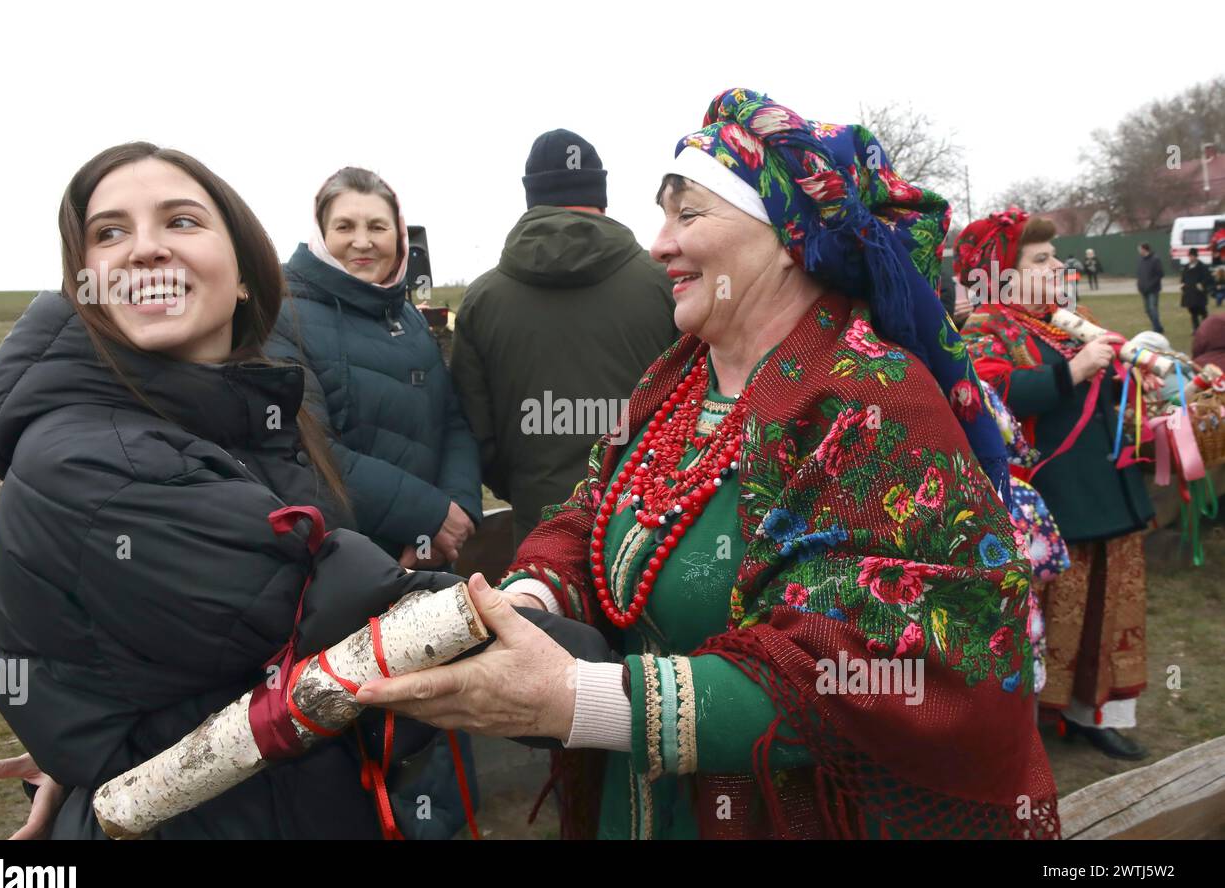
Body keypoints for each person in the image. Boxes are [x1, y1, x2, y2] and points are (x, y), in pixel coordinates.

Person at [354, 88, 1058, 840]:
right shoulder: (682, 377)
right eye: (662, 215)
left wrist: (575, 699)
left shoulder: (872, 399)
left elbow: (865, 671)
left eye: (688, 213)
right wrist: (528, 602)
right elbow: (596, 511)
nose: (659, 244)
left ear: (789, 234)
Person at [0, 143, 481, 839]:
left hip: (287, 782)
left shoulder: (234, 403)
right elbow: (325, 608)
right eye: (110, 232)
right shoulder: (93, 463)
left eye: (180, 221)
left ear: (243, 276)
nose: (145, 249)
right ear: (83, 282)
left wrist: (94, 738)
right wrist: (607, 678)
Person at [957, 208, 1154, 761]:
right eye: (1041, 258)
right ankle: (1037, 714)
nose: (1057, 265)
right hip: (1056, 501)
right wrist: (1070, 373)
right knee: (1056, 609)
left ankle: (1094, 710)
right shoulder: (987, 327)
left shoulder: (1068, 319)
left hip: (1108, 486)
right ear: (1001, 272)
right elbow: (990, 400)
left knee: (1108, 604)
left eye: (1054, 255)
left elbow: (1107, 395)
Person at [451, 129, 678, 549]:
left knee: (540, 615)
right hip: (652, 534)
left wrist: (526, 489)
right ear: (602, 199)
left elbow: (475, 436)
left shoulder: (481, 301)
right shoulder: (667, 286)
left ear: (531, 202)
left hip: (539, 538)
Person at [267, 168, 481, 569]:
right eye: (344, 226)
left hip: (431, 554)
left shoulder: (409, 318)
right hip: (345, 564)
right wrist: (430, 516)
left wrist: (458, 511)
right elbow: (307, 449)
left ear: (398, 236)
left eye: (377, 227)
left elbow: (452, 421)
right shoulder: (284, 316)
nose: (362, 241)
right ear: (321, 235)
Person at [1135, 243, 1164, 333]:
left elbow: (1160, 274)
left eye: (1140, 249)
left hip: (1153, 290)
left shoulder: (1155, 259)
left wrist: (1151, 285)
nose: (1139, 251)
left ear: (1144, 249)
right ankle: (1158, 327)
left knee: (1153, 308)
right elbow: (1140, 274)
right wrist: (1139, 285)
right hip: (1144, 290)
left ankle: (1156, 329)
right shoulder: (1141, 260)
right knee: (1147, 310)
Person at [1181, 247, 1212, 332]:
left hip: (1199, 293)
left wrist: (1202, 284)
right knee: (1192, 311)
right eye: (1190, 256)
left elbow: (1208, 278)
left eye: (1192, 256)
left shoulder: (1202, 266)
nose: (1191, 258)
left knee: (1202, 311)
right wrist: (1183, 284)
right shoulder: (1187, 267)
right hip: (1189, 293)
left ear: (1196, 256)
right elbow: (1183, 277)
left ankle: (1206, 328)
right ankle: (1196, 329)